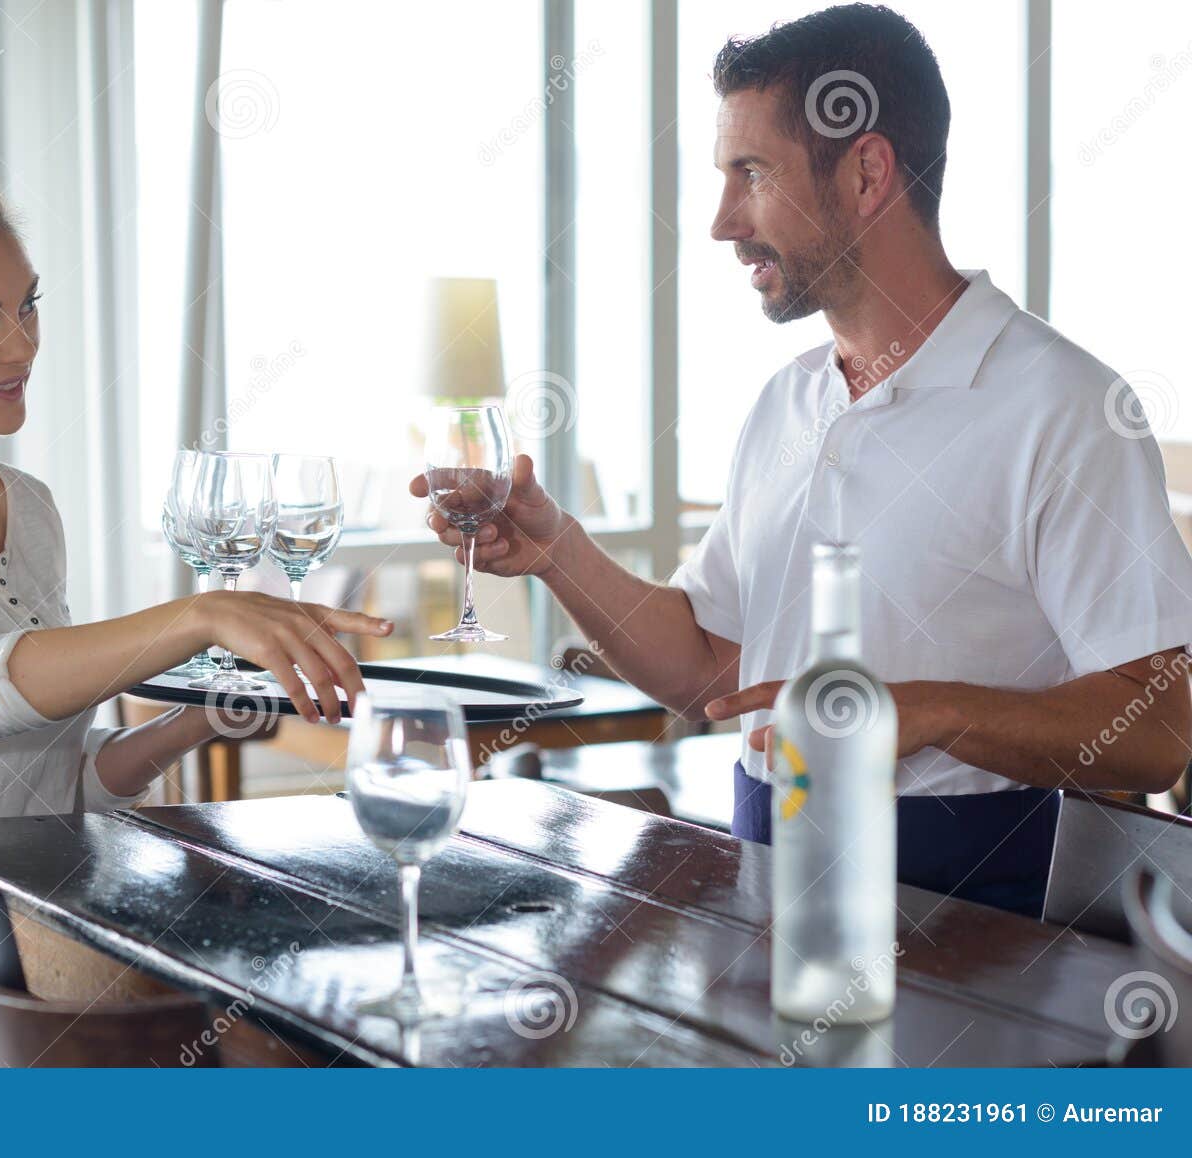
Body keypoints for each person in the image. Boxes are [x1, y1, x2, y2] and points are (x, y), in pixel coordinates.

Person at [414, 4, 1192, 919]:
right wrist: (558, 553)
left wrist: (925, 710)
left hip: (981, 922)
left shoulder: (1064, 408)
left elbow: (1163, 729)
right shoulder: (788, 400)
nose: (720, 222)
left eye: (751, 173)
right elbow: (715, 665)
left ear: (867, 172)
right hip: (766, 888)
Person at [0, 158, 392, 1065]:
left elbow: (52, 783)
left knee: (313, 1025)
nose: (21, 347)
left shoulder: (29, 506)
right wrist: (198, 616)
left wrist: (203, 714)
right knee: (274, 1049)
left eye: (27, 306)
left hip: (35, 910)